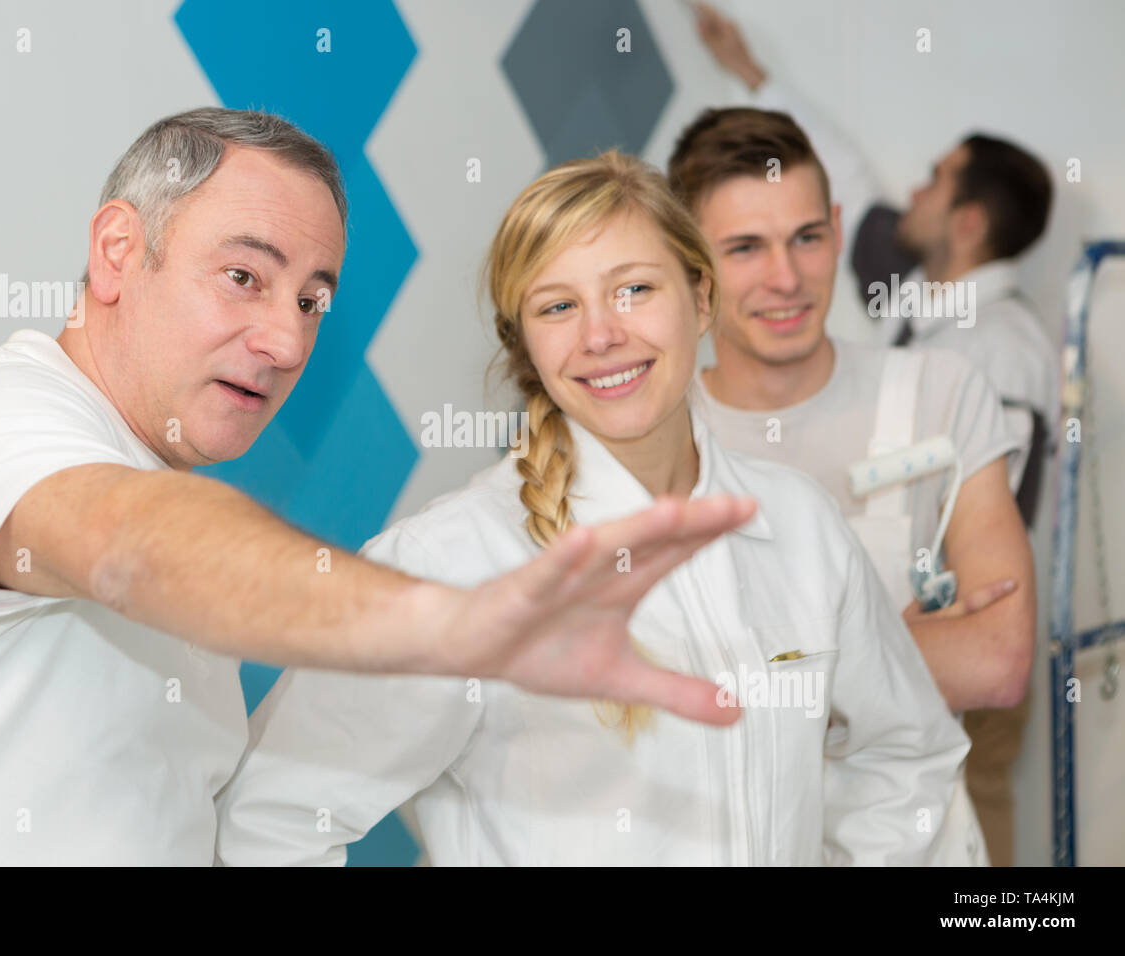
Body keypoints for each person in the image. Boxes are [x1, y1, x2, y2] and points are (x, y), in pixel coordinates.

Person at [0, 109, 757, 865]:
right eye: (244, 276)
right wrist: (454, 628)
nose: (287, 341)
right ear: (117, 251)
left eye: (313, 299)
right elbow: (126, 538)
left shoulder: (159, 474)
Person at [214, 151, 972, 866]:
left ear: (701, 299)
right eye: (558, 306)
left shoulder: (799, 524)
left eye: (635, 289)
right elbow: (272, 822)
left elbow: (905, 755)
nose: (602, 334)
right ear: (527, 348)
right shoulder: (448, 564)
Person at [688, 0, 1053, 868]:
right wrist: (890, 648)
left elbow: (998, 657)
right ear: (690, 261)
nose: (787, 276)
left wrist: (742, 668)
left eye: (809, 237)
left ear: (834, 233)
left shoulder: (961, 369)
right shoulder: (649, 427)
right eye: (745, 246)